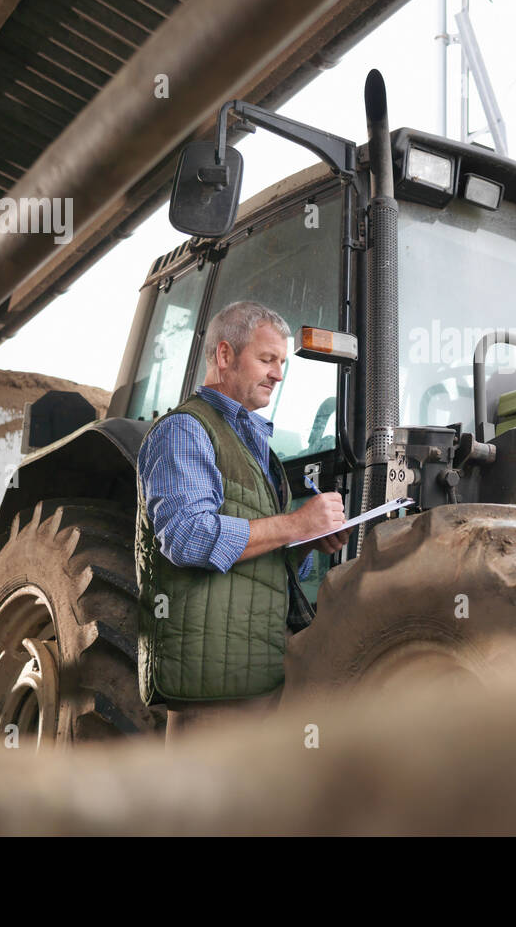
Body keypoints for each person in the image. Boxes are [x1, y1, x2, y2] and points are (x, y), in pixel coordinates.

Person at [135, 300, 350, 741]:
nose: (278, 374)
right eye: (267, 359)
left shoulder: (257, 447)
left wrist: (309, 539)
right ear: (225, 356)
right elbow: (186, 536)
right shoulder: (185, 430)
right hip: (213, 691)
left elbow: (263, 560)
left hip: (259, 679)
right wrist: (295, 524)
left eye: (282, 363)